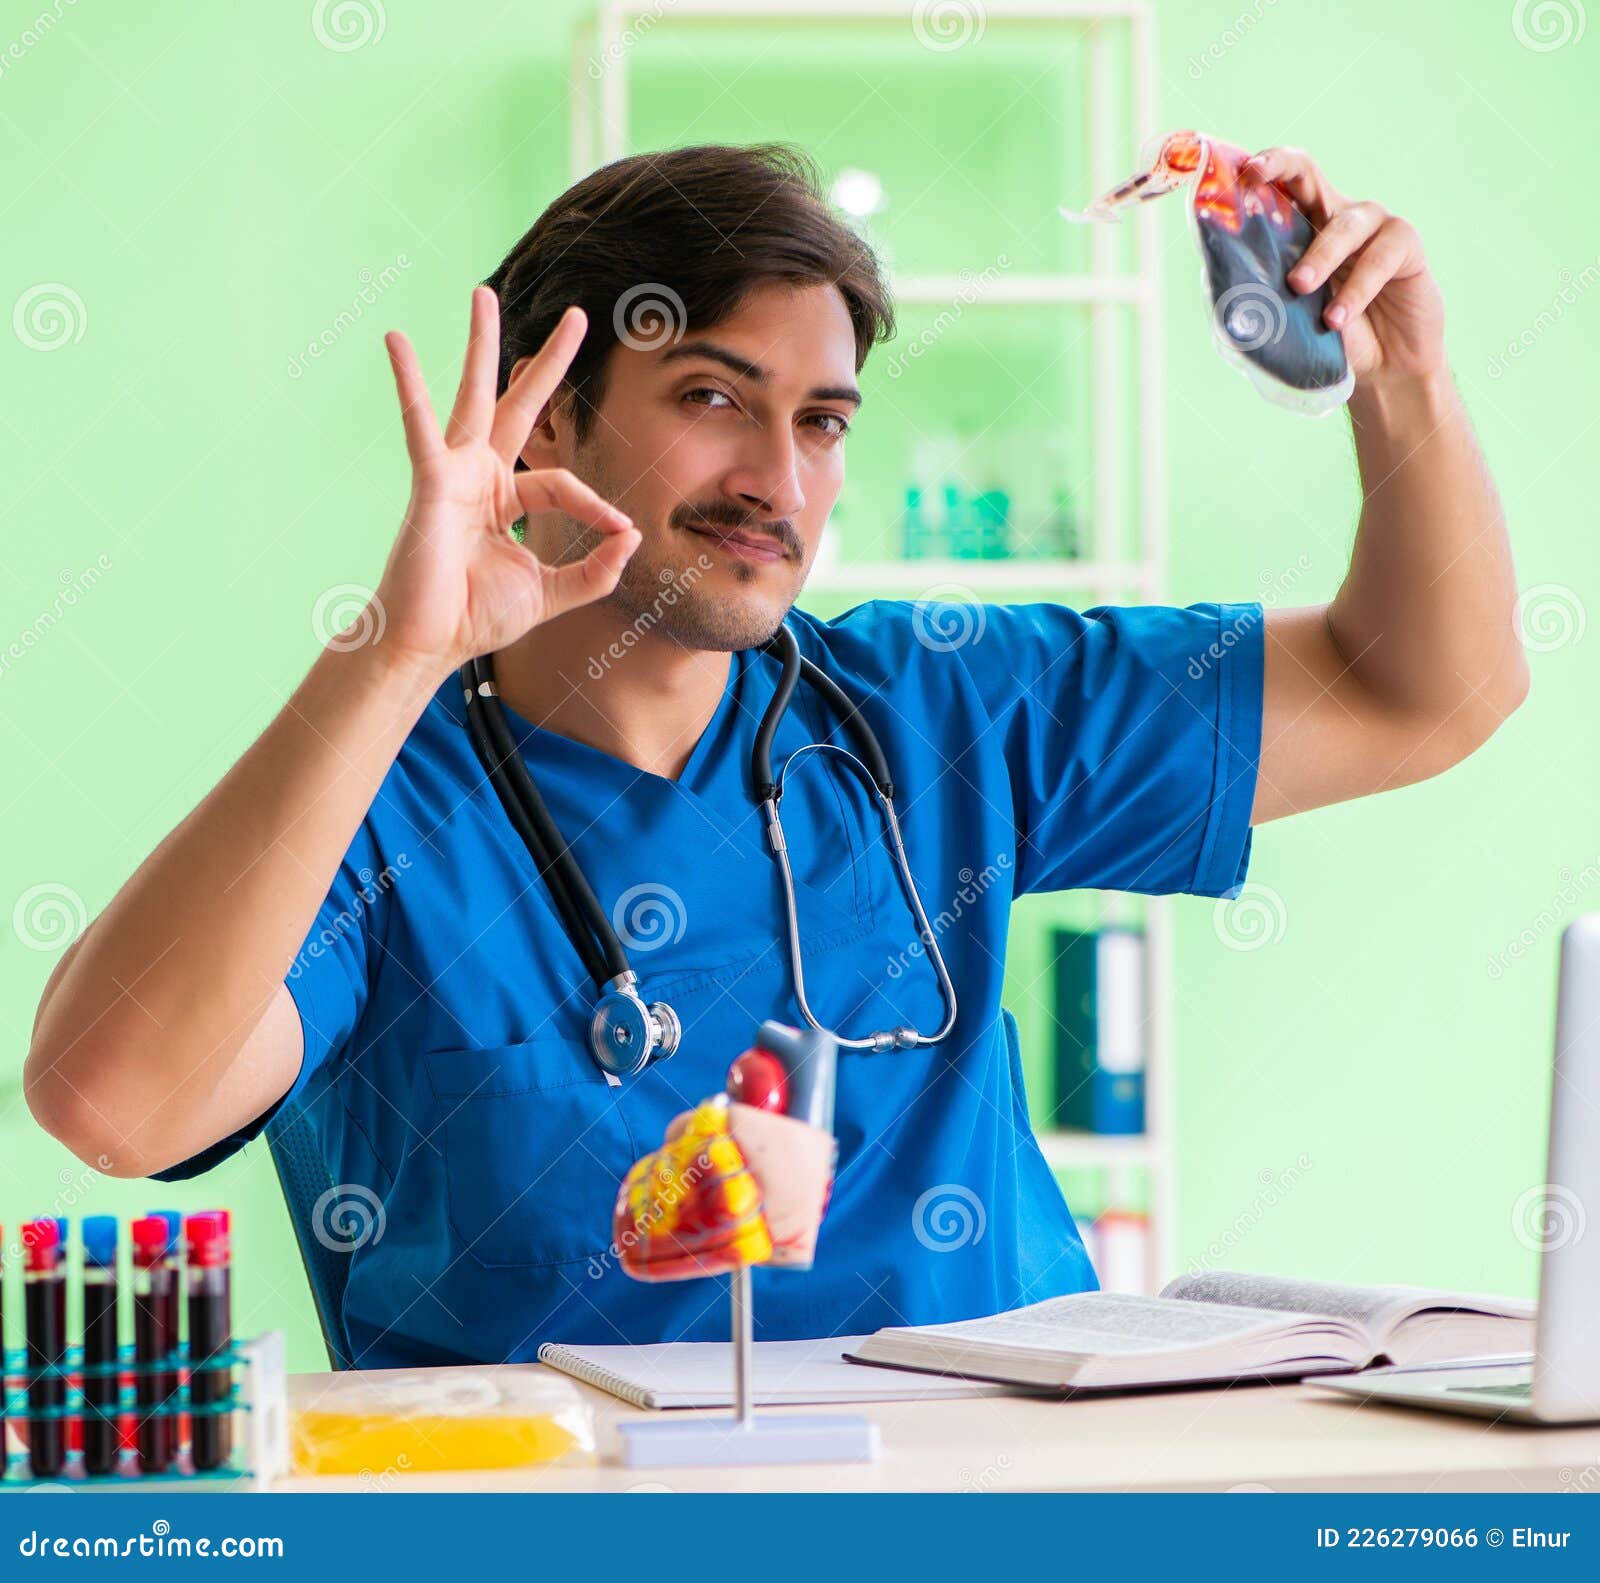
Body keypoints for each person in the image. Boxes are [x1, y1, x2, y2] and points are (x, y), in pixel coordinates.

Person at [25, 144, 1526, 1368]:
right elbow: (112, 1104)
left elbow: (1425, 693)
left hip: (1010, 1510)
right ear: (545, 427)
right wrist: (391, 654)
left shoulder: (941, 707)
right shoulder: (379, 811)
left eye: (821, 423)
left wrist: (1404, 381)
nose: (778, 481)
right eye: (712, 399)